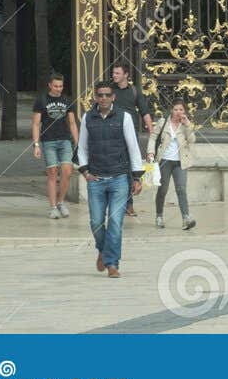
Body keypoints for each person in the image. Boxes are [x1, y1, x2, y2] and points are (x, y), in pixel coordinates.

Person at [77, 79, 145, 278]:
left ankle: (112, 264)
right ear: (96, 97)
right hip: (96, 178)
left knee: (115, 222)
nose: (104, 98)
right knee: (96, 222)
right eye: (100, 95)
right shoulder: (88, 118)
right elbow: (82, 148)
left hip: (119, 178)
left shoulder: (124, 117)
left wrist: (137, 177)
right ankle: (103, 250)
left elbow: (133, 147)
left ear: (113, 97)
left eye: (108, 95)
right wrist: (85, 172)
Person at [31, 72, 79, 220]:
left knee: (67, 171)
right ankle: (52, 207)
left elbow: (72, 123)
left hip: (64, 140)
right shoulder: (42, 101)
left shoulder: (67, 100)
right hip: (48, 141)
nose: (59, 89)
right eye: (56, 86)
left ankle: (61, 201)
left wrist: (78, 143)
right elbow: (35, 124)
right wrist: (36, 144)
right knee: (52, 172)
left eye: (61, 86)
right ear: (50, 85)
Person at [147, 98, 198, 230]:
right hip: (164, 160)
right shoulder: (163, 122)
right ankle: (159, 216)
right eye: (176, 109)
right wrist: (150, 152)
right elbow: (153, 137)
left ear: (184, 111)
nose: (178, 112)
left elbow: (192, 139)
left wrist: (187, 125)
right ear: (171, 110)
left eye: (181, 109)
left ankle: (186, 218)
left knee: (181, 189)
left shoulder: (185, 124)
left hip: (180, 161)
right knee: (162, 190)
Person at [110, 62, 152, 217]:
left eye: (117, 73)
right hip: (113, 134)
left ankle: (128, 204)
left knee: (129, 170)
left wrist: (151, 131)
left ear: (126, 75)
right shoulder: (110, 91)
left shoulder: (134, 91)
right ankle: (114, 202)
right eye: (113, 73)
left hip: (130, 135)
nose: (114, 76)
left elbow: (144, 111)